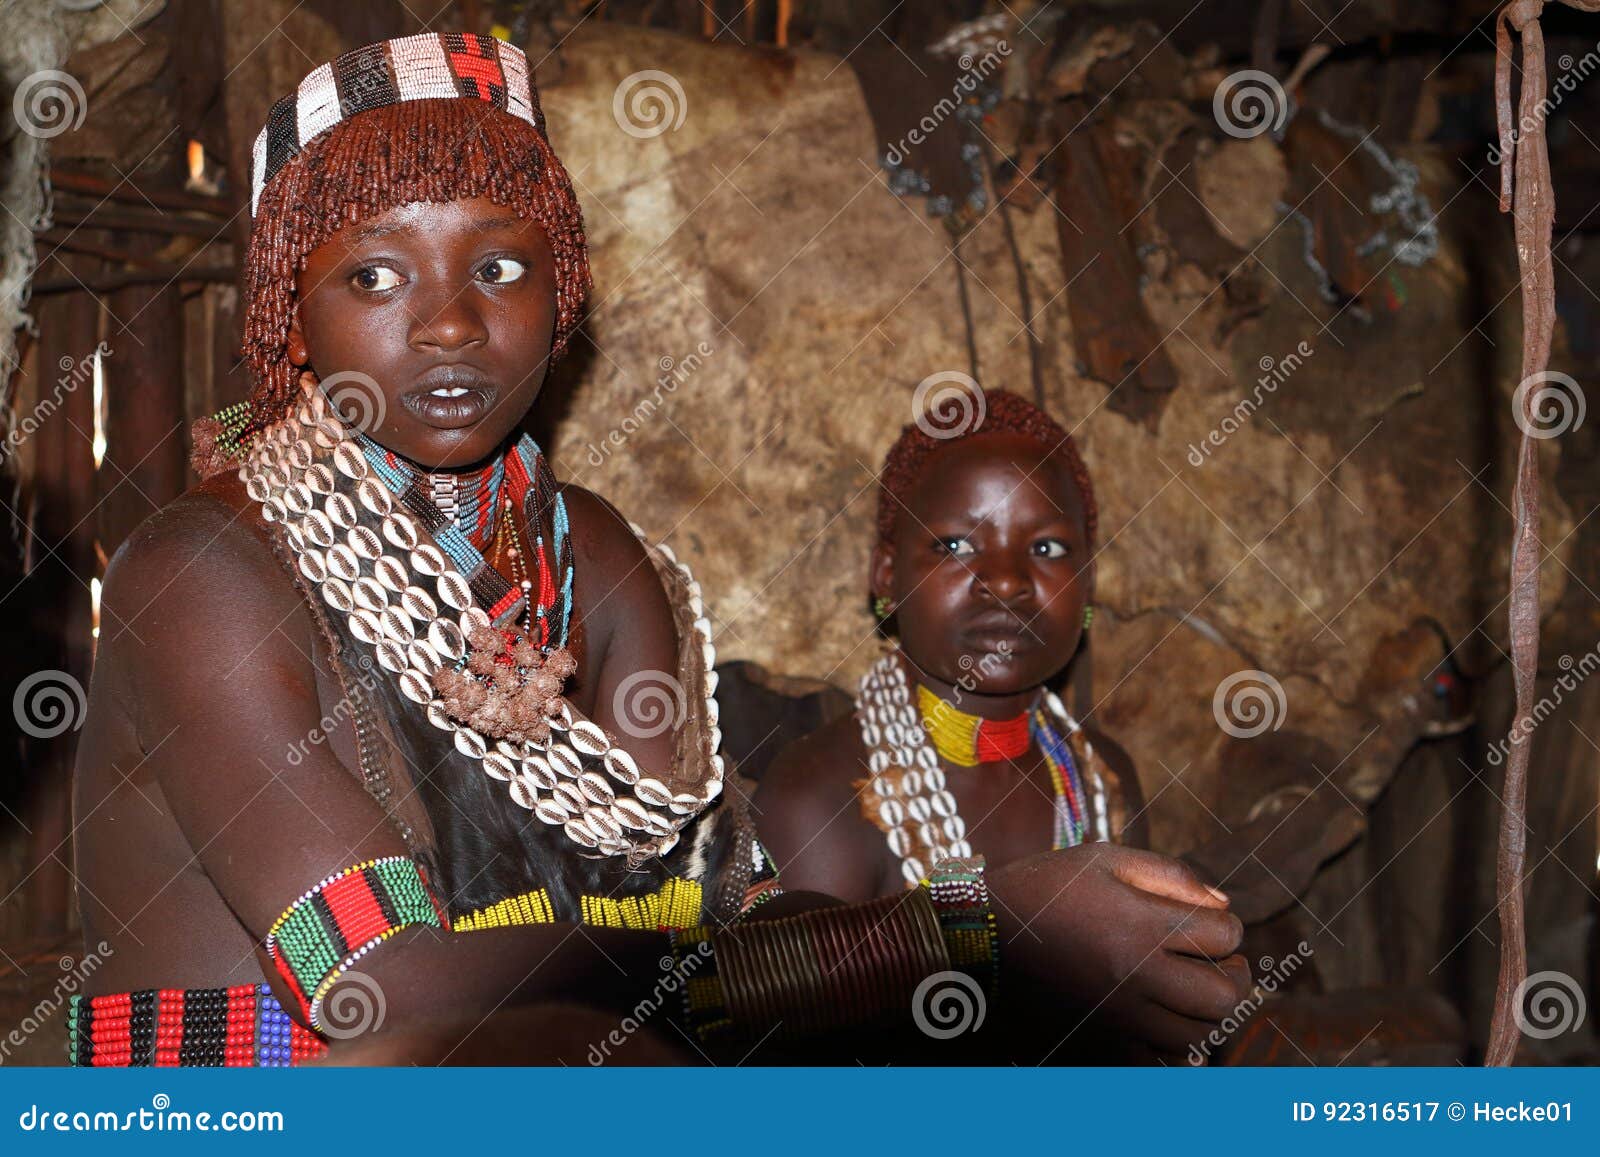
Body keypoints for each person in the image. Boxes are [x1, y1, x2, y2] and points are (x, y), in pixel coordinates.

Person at [69, 32, 1245, 1068]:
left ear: (563, 290)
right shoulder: (202, 575)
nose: (448, 322)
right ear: (288, 309)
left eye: (500, 265)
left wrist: (984, 926)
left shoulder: (592, 558)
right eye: (372, 272)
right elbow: (385, 986)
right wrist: (955, 937)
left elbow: (734, 923)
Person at [757, 390, 1149, 902]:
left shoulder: (1106, 782)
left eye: (1046, 548)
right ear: (887, 576)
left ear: (1089, 583)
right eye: (956, 546)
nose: (1007, 582)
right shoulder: (817, 798)